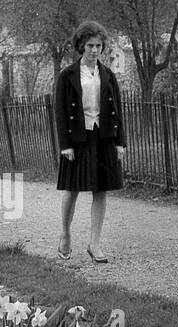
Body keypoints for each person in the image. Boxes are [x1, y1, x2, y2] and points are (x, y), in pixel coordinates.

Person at [53, 20, 126, 262]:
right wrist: (65, 145)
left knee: (101, 190)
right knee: (72, 190)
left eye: (98, 45)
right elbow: (61, 113)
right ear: (81, 46)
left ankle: (95, 244)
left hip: (103, 136)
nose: (95, 50)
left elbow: (117, 109)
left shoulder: (107, 75)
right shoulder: (67, 76)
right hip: (77, 138)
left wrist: (120, 142)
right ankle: (65, 235)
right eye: (90, 45)